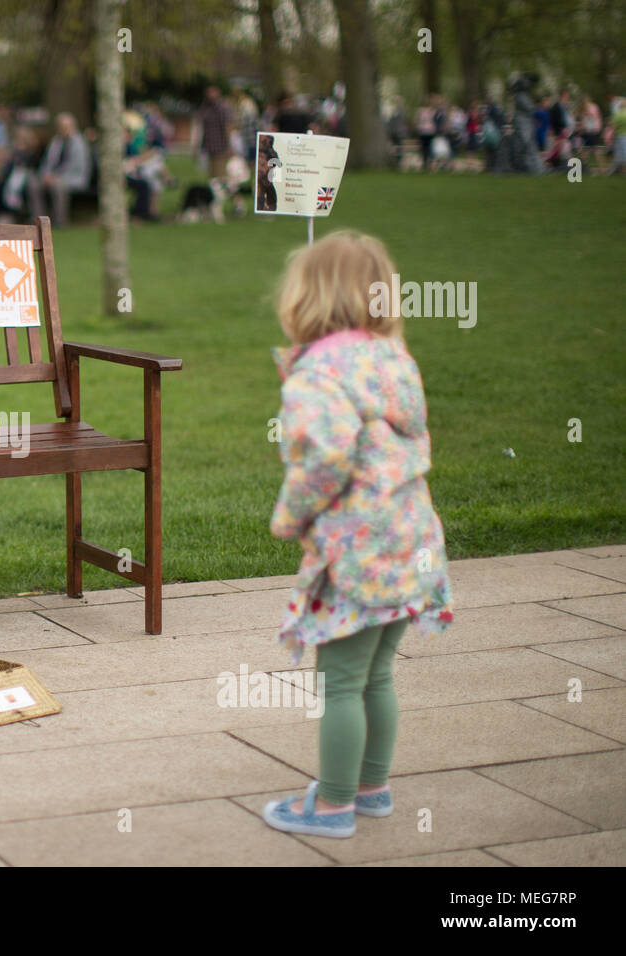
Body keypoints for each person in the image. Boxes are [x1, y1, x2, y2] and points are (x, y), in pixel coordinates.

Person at [260, 231, 453, 838]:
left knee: (340, 681)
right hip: (412, 543)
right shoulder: (394, 359)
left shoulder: (319, 373)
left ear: (305, 299)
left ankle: (334, 805)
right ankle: (371, 789)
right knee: (377, 675)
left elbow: (324, 458)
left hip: (358, 553)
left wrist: (289, 517)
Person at [34, 112, 91, 225]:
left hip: (72, 178)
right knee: (34, 183)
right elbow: (48, 162)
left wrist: (55, 177)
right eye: (60, 127)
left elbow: (75, 167)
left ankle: (60, 221)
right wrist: (45, 175)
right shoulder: (56, 142)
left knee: (58, 186)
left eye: (65, 127)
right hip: (52, 177)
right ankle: (39, 219)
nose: (62, 129)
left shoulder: (79, 143)